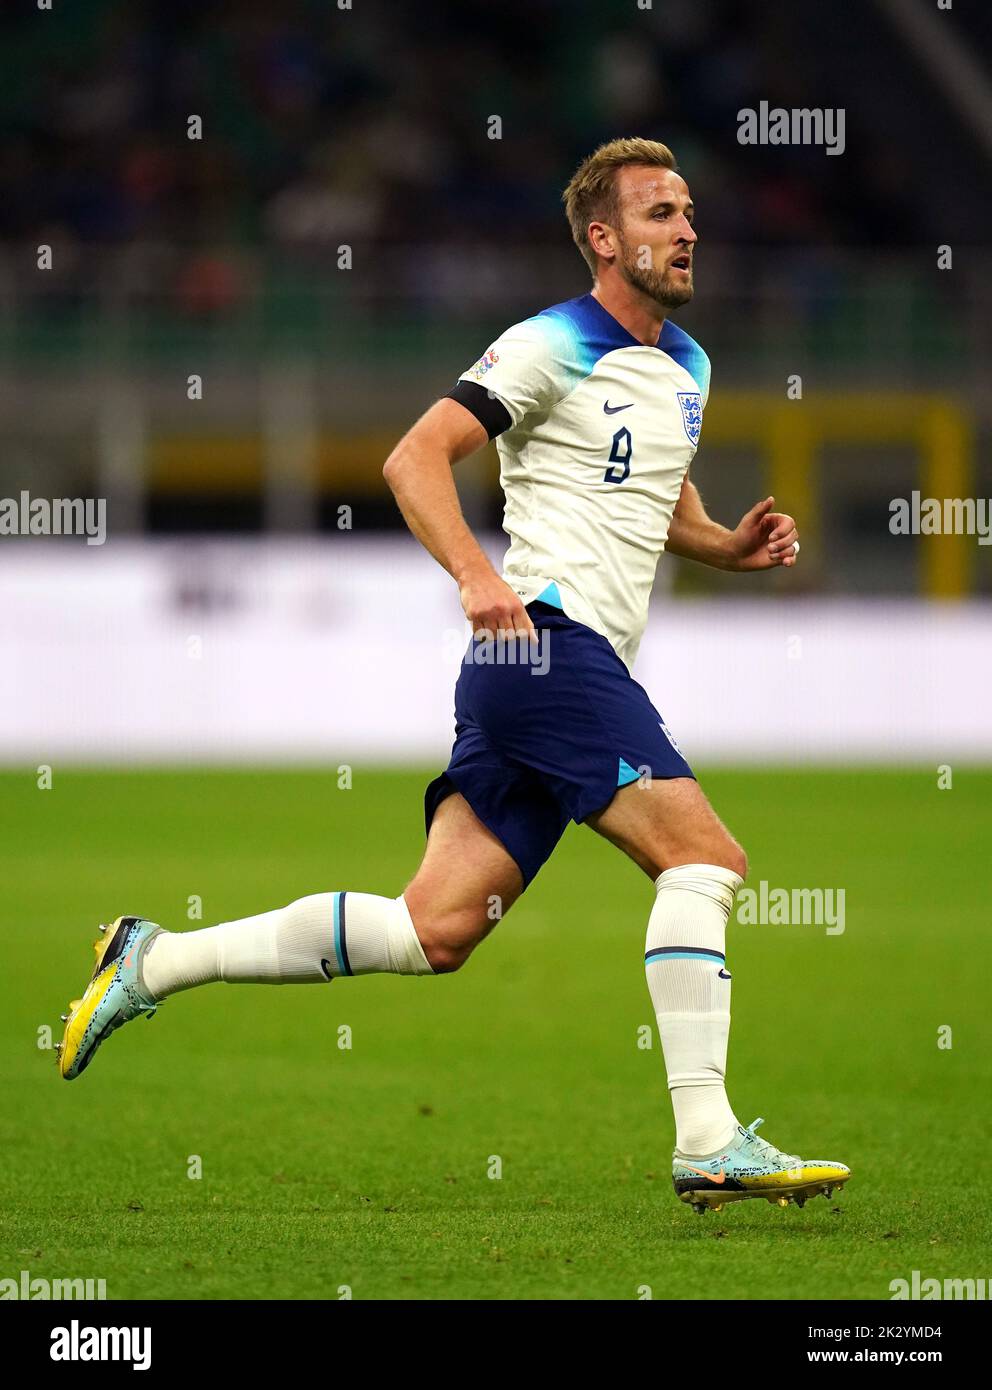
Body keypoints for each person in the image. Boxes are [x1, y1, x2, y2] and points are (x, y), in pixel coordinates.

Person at [57, 138, 848, 1215]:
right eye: (660, 214)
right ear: (603, 240)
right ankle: (707, 1137)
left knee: (433, 929)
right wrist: (477, 576)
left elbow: (652, 495)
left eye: (688, 212)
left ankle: (152, 962)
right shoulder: (547, 341)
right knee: (703, 858)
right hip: (542, 648)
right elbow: (412, 457)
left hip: (545, 673)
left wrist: (721, 546)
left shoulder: (687, 367)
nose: (686, 230)